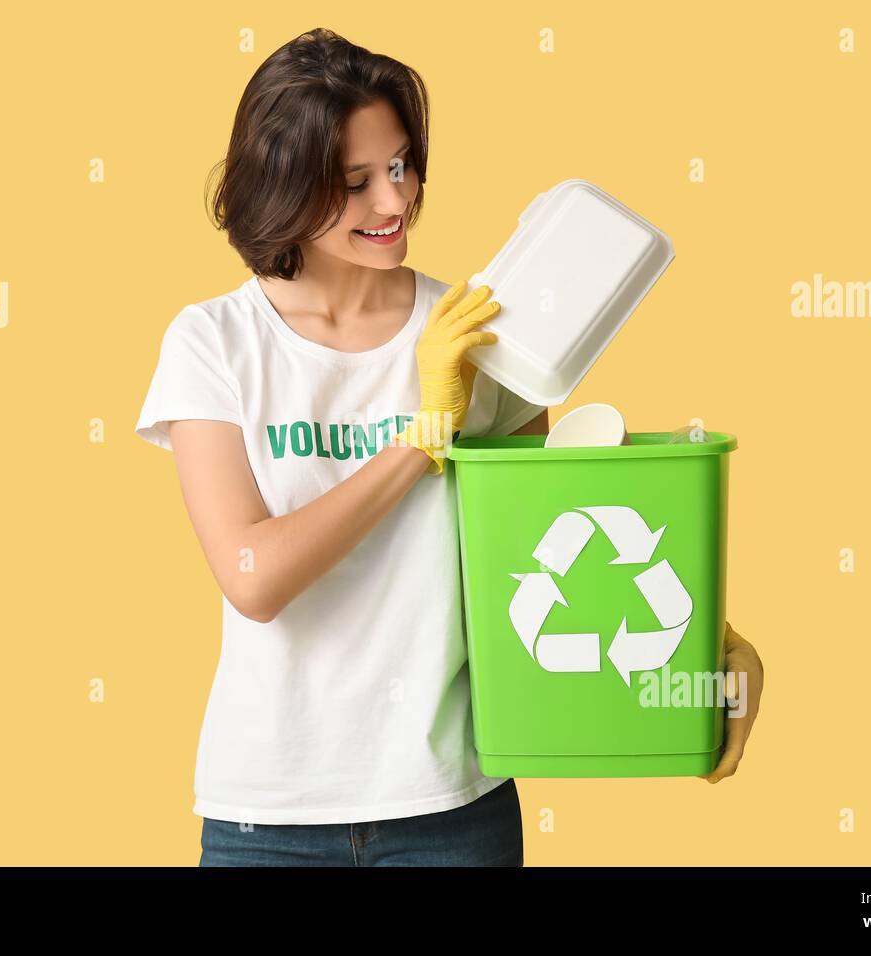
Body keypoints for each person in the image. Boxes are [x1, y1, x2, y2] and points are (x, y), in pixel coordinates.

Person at [135, 28, 763, 867]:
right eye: (354, 183)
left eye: (400, 165)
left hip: (451, 809)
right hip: (268, 816)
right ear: (283, 187)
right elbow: (254, 578)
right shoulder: (215, 341)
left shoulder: (481, 336)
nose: (393, 202)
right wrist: (423, 437)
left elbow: (549, 540)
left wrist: (710, 644)